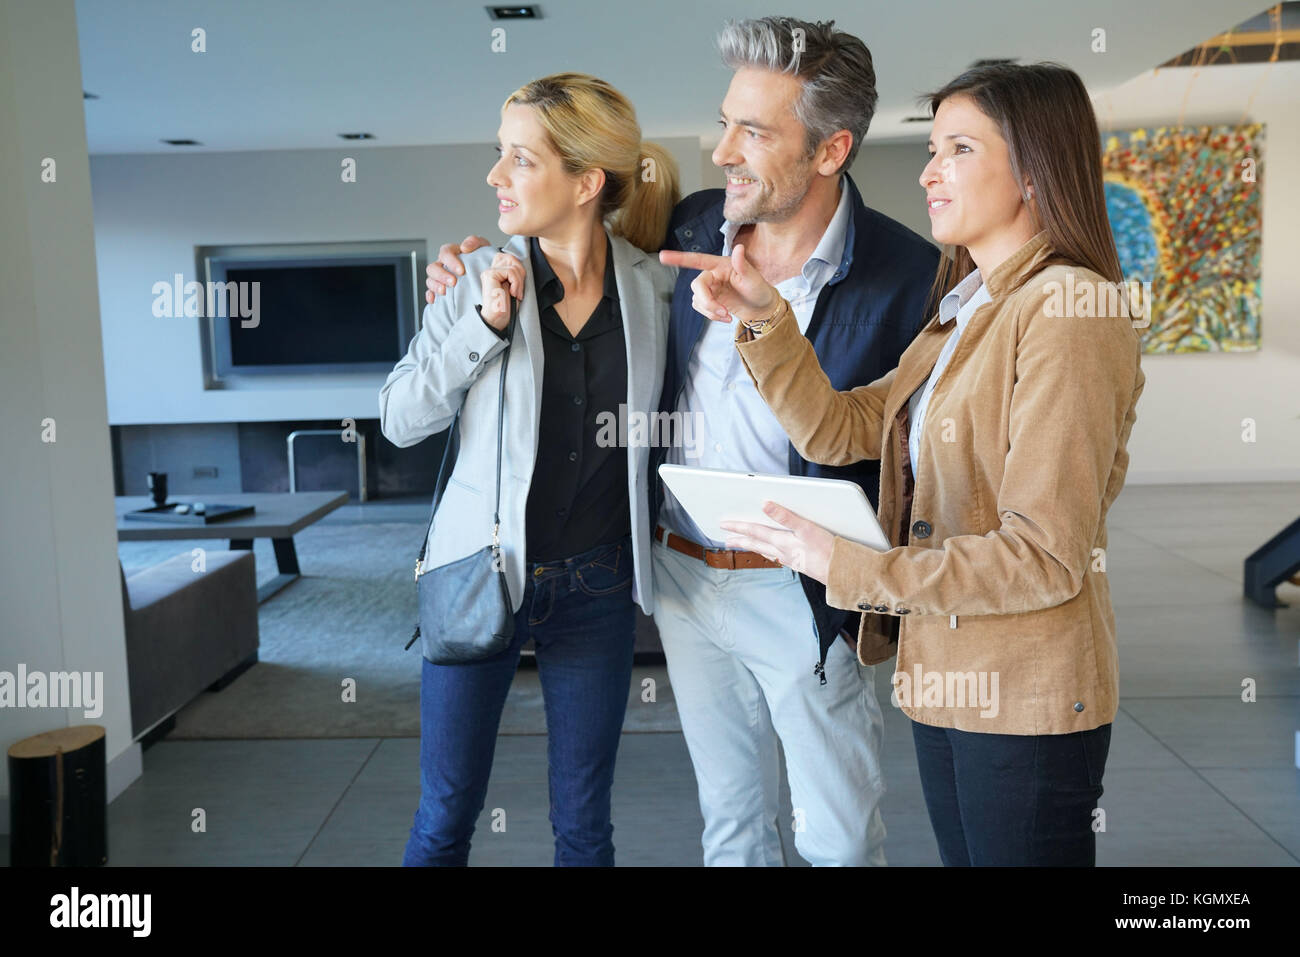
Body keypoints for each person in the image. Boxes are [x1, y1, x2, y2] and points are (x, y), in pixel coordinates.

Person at [425, 18, 939, 866]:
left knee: (841, 839)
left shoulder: (908, 274)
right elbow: (571, 244)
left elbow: (920, 450)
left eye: (755, 130)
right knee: (731, 828)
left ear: (830, 149)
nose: (725, 147)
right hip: (685, 576)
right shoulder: (694, 225)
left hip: (804, 591)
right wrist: (467, 270)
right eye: (726, 119)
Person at [663, 61, 1145, 866]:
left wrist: (847, 565)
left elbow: (1047, 554)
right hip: (950, 671)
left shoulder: (1064, 311)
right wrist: (765, 320)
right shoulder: (966, 306)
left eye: (958, 149)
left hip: (1024, 692)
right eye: (931, 148)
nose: (928, 172)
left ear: (1034, 167)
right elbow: (839, 427)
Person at [379, 72, 679, 866]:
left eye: (519, 159)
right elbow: (399, 417)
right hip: (481, 573)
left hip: (601, 584)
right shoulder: (475, 279)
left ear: (586, 182)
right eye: (499, 155)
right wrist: (482, 326)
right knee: (445, 814)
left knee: (584, 822)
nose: (494, 177)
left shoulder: (655, 290)